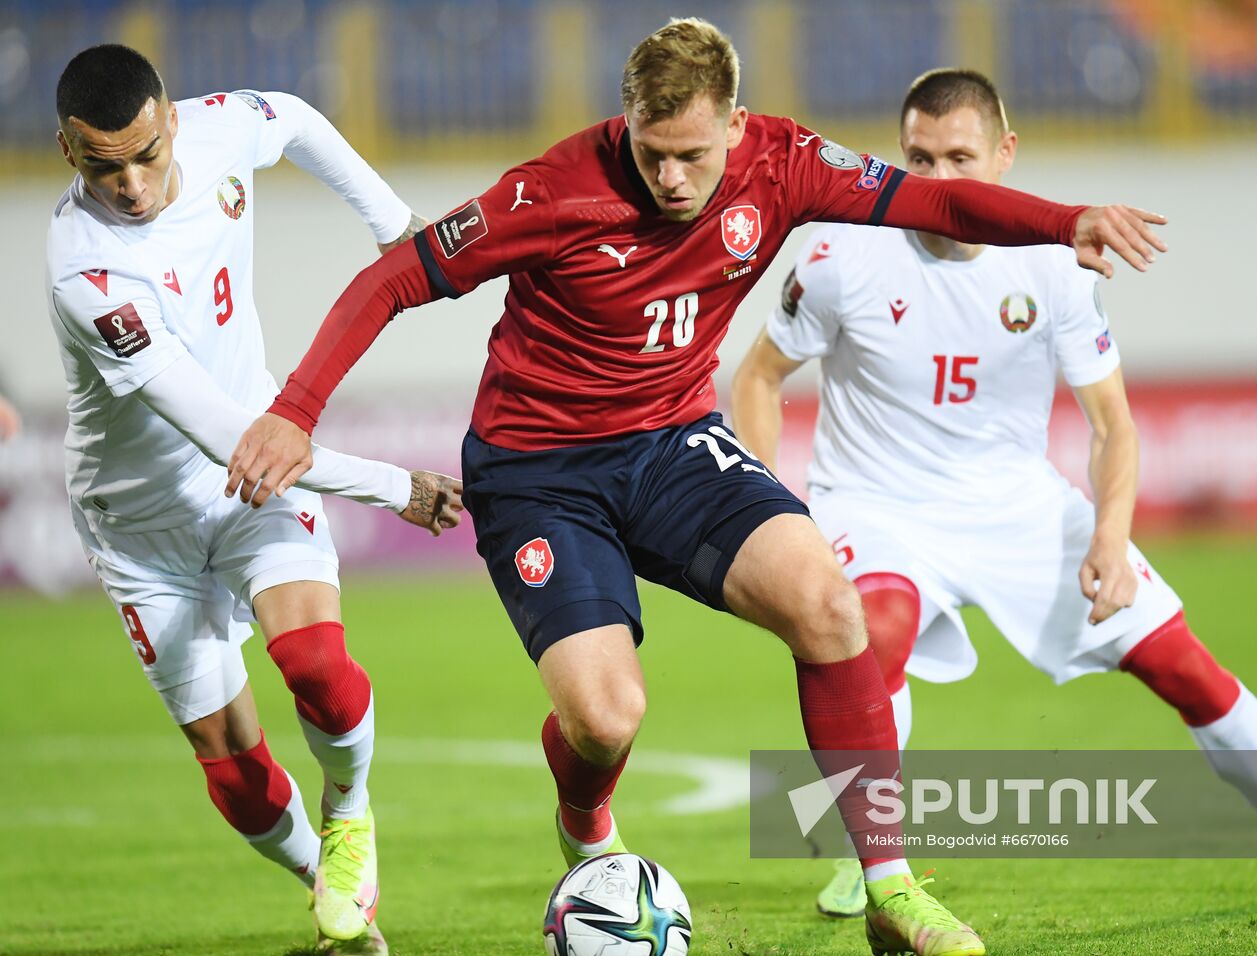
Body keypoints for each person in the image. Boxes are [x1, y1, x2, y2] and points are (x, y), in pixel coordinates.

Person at [225, 20, 1168, 956]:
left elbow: (940, 206)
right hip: (539, 472)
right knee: (606, 717)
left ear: (734, 123)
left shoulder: (787, 163)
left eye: (690, 155)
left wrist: (1063, 222)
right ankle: (585, 818)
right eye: (650, 151)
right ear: (624, 120)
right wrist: (295, 409)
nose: (670, 178)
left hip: (676, 443)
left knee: (830, 609)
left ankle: (892, 887)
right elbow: (395, 275)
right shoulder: (549, 191)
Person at [729, 67, 1257, 920]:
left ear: (1005, 155)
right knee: (876, 629)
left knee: (1180, 664)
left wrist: (1110, 541)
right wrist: (770, 510)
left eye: (959, 158)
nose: (937, 183)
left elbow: (1115, 427)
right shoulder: (839, 254)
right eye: (918, 160)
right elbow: (757, 378)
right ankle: (871, 859)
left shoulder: (1054, 268)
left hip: (1017, 507)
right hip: (877, 503)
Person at [46, 44, 464, 956]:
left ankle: (351, 818)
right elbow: (230, 437)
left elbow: (296, 116)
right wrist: (398, 487)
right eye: (103, 166)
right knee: (235, 771)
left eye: (148, 154)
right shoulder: (86, 276)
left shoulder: (220, 125)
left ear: (171, 120)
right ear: (68, 151)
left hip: (251, 494)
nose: (131, 183)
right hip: (143, 531)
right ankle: (327, 879)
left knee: (314, 659)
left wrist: (393, 223)